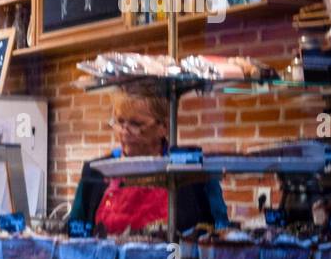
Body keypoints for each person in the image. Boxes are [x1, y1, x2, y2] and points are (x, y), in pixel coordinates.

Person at [69, 83, 227, 234]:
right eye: (119, 122)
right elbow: (76, 233)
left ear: (164, 127)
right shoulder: (96, 171)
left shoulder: (195, 173)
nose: (124, 131)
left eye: (136, 124)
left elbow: (219, 235)